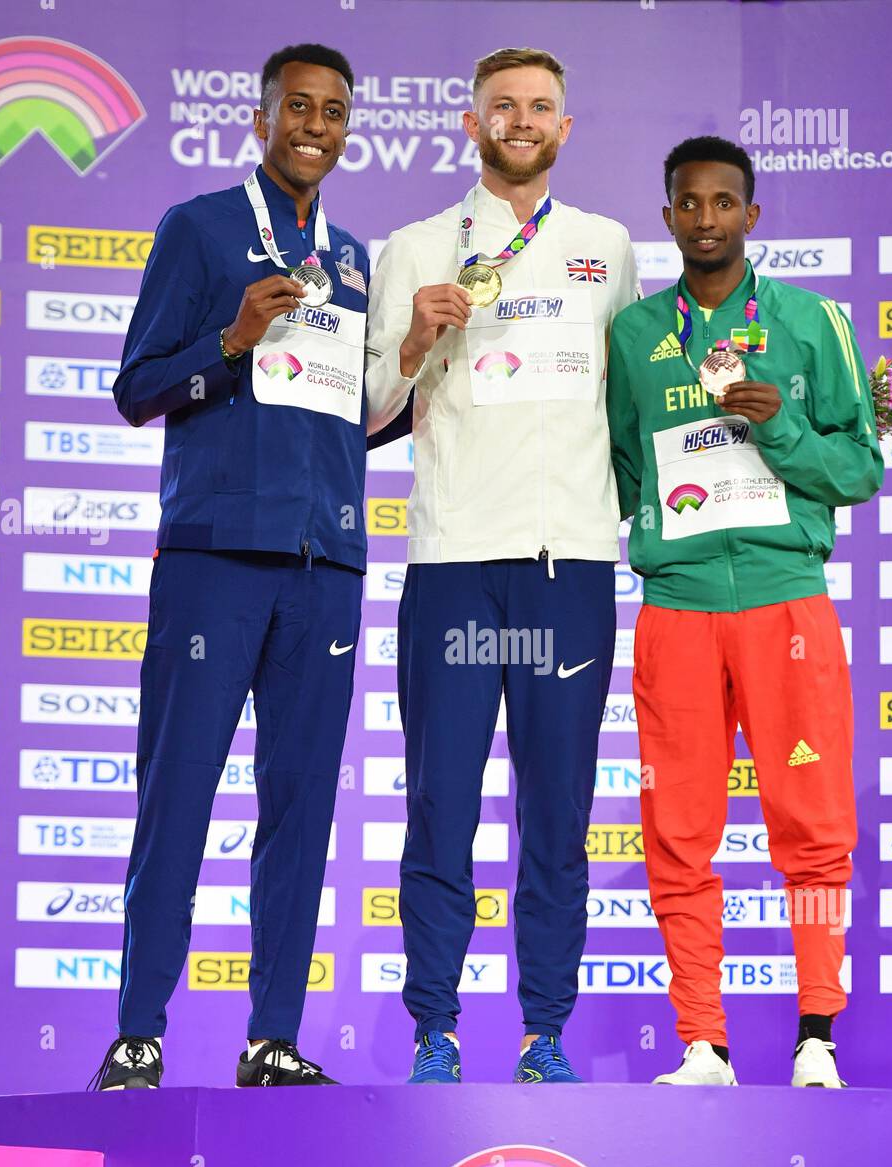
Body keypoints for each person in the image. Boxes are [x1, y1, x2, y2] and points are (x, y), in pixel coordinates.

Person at [89, 43, 368, 1091]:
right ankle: (137, 1033)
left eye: (334, 111)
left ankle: (273, 1037)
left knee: (299, 807)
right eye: (298, 106)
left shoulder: (353, 260)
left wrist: (415, 393)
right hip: (213, 559)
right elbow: (135, 387)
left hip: (325, 565)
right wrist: (230, 339)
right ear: (261, 119)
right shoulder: (199, 228)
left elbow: (336, 416)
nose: (315, 124)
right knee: (180, 794)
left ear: (347, 131)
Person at [365, 47, 641, 1084]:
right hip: (451, 559)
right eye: (502, 107)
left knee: (556, 808)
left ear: (564, 128)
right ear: (469, 122)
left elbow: (630, 405)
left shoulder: (606, 247)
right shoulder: (413, 247)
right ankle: (433, 1027)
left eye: (539, 108)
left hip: (566, 560)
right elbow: (365, 414)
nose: (520, 121)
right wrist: (406, 346)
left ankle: (544, 1034)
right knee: (439, 802)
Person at [606, 135, 882, 1088]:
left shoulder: (811, 323)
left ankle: (815, 1036)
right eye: (689, 203)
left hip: (784, 606)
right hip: (676, 611)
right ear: (669, 213)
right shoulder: (635, 336)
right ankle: (702, 1043)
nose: (707, 219)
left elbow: (857, 469)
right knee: (677, 830)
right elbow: (628, 470)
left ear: (750, 216)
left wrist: (783, 426)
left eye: (725, 203)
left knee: (811, 825)